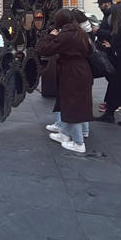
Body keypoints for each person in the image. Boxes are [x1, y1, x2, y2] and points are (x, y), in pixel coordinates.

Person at [36, 9, 94, 153]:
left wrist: (50, 36)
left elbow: (44, 49)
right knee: (78, 103)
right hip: (82, 70)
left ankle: (78, 143)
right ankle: (70, 133)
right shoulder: (80, 32)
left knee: (72, 105)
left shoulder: (66, 35)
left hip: (72, 72)